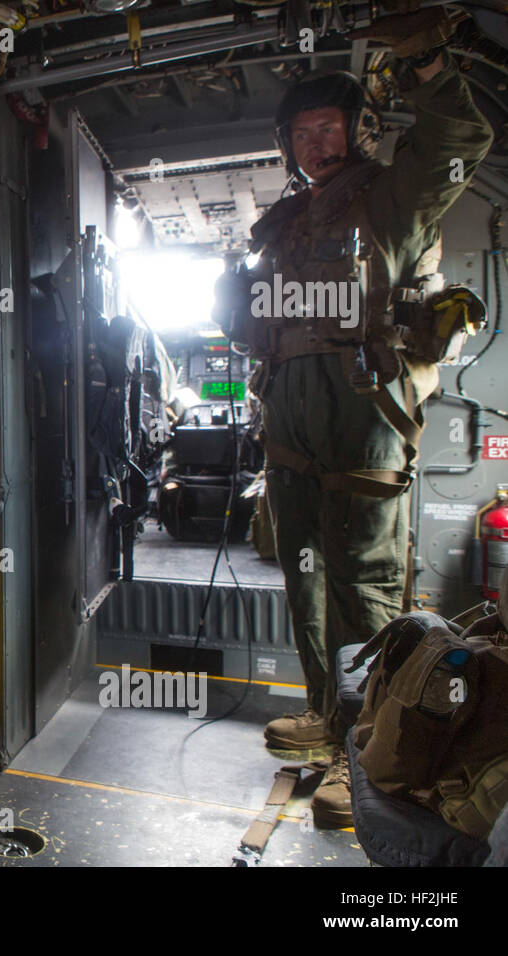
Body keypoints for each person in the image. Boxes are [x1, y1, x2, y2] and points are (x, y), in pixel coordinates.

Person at [218, 9, 494, 827]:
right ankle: (327, 713)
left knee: (366, 585)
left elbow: (457, 140)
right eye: (301, 132)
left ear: (358, 128)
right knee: (302, 573)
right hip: (290, 422)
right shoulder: (279, 224)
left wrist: (426, 62)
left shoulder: (392, 197)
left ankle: (366, 748)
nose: (315, 142)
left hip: (365, 412)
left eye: (328, 125)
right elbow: (246, 322)